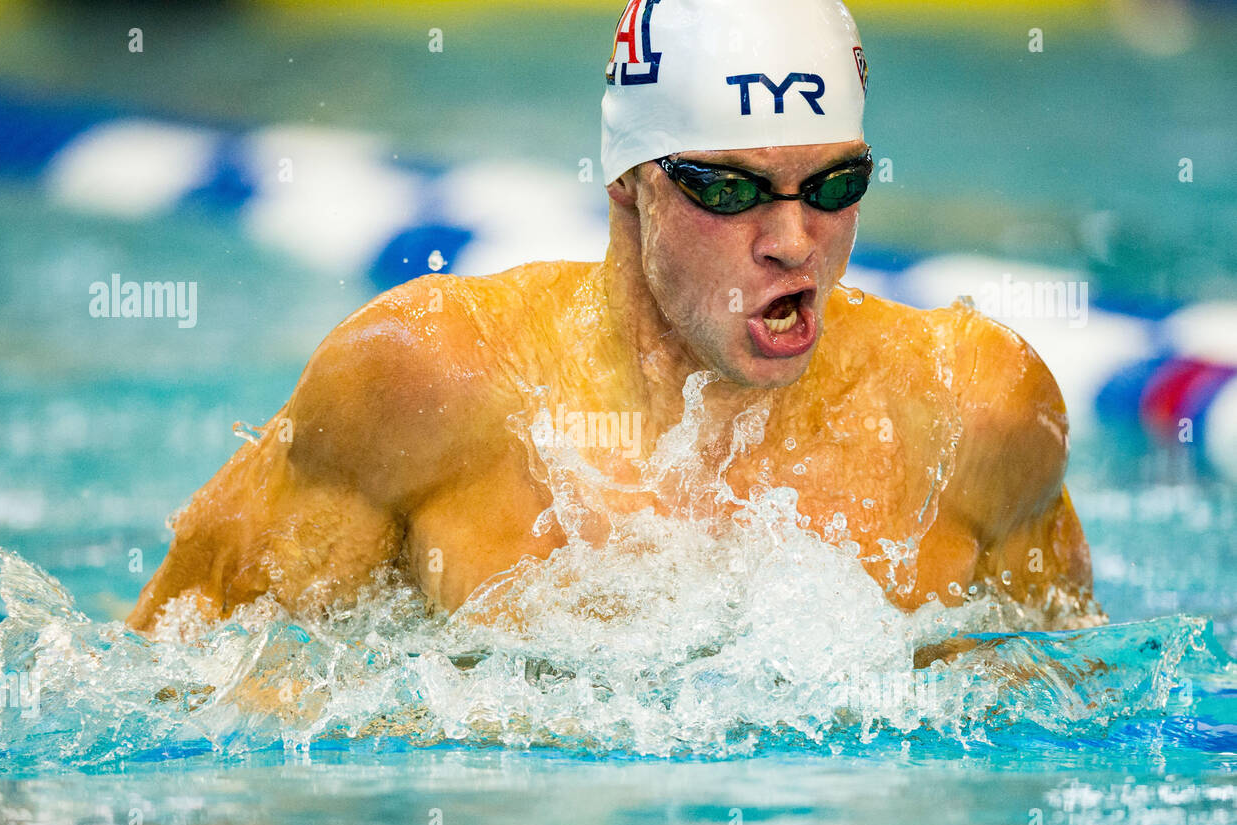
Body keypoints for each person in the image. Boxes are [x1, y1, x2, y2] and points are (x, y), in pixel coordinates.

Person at [126, 0, 1095, 641]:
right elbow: (170, 686)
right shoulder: (429, 378)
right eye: (729, 189)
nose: (795, 240)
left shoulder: (970, 411)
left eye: (835, 183)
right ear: (630, 180)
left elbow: (1072, 716)